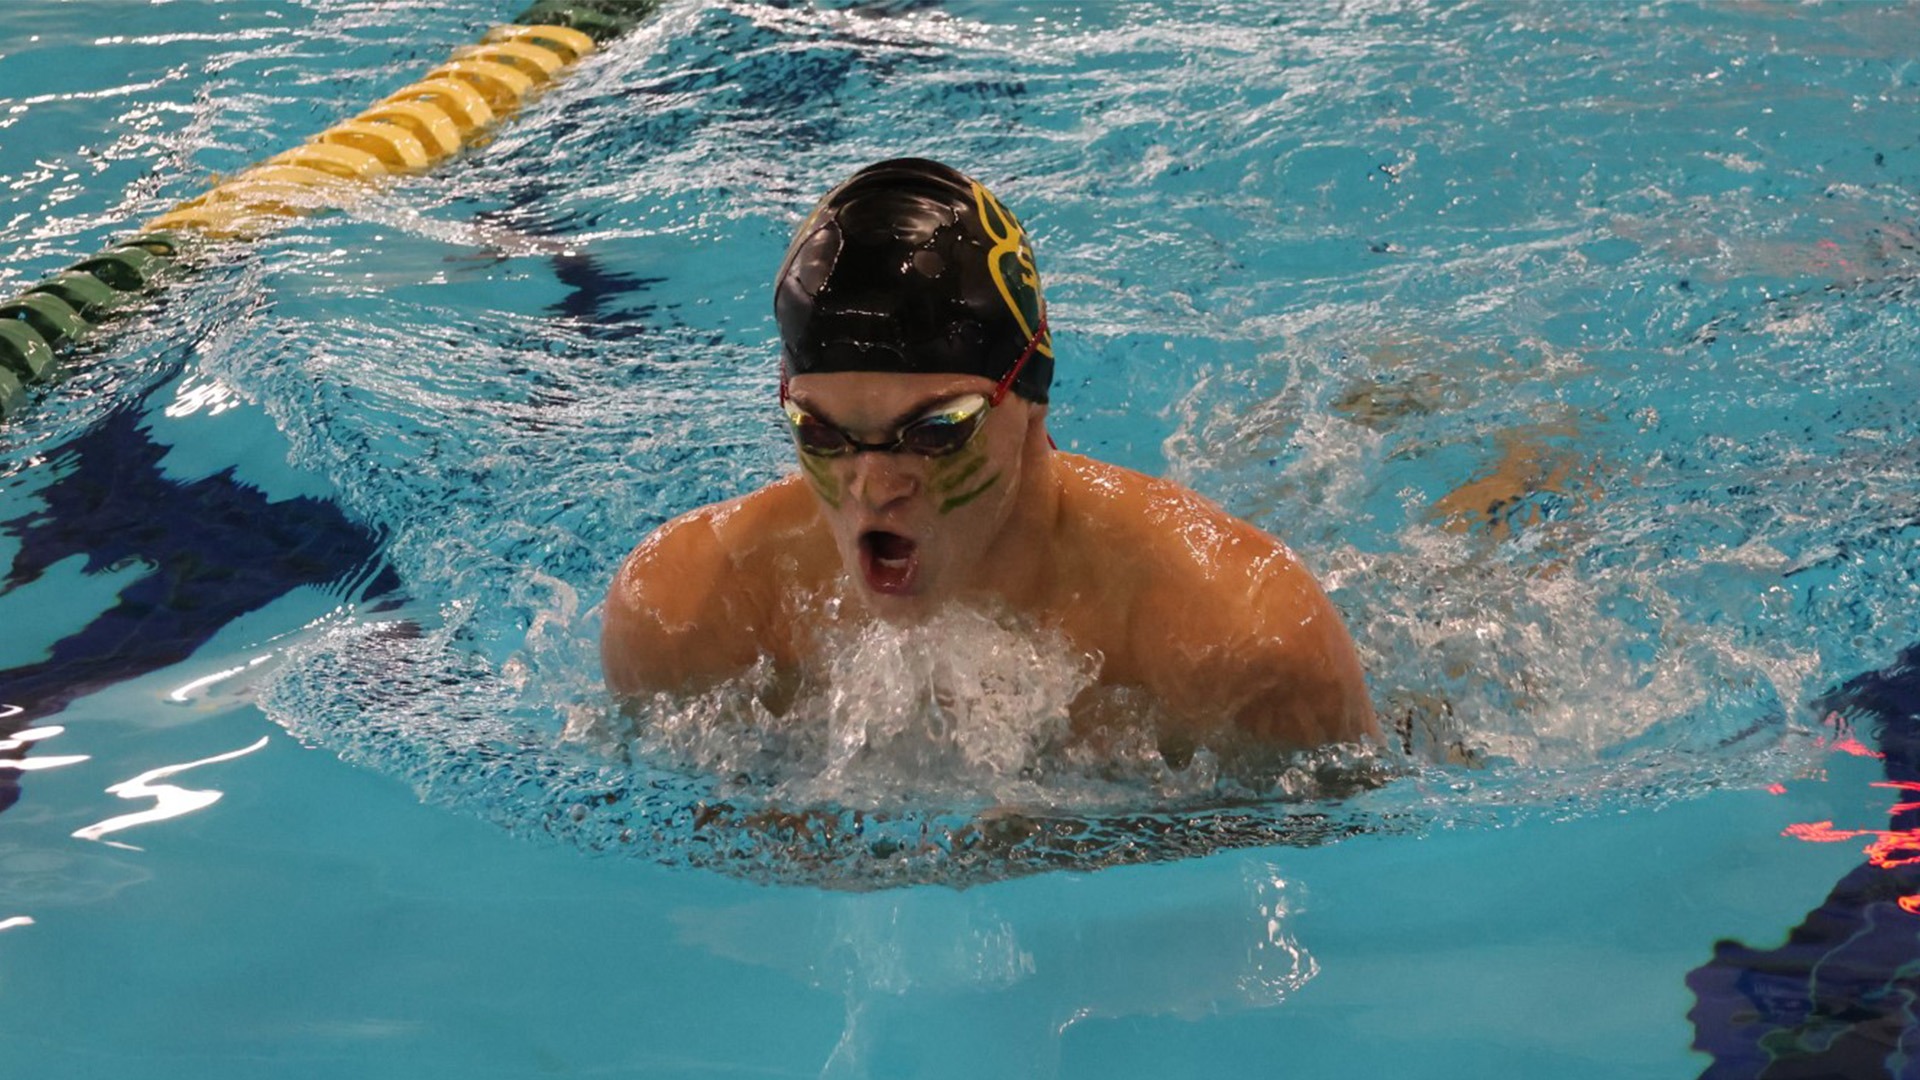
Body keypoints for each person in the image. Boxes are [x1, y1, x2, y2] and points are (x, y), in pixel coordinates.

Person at [602, 158, 1377, 750]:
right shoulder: (689, 613)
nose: (871, 487)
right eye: (823, 435)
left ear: (1032, 391)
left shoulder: (1239, 638)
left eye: (936, 433)